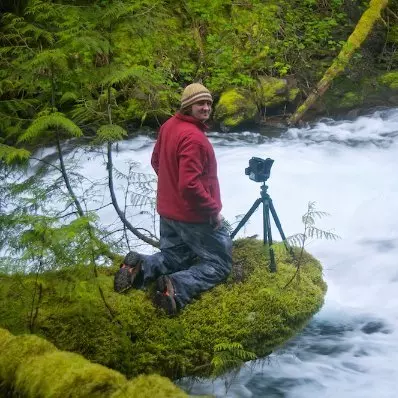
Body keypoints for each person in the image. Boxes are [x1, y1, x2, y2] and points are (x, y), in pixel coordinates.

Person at [114, 83, 232, 315]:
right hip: (193, 215)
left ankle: (141, 268)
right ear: (188, 105)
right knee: (219, 265)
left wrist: (172, 190)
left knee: (175, 256)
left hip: (169, 212)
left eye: (209, 103)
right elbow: (189, 184)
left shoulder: (169, 126)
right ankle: (177, 288)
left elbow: (156, 161)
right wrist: (212, 211)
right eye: (200, 103)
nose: (206, 108)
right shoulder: (194, 139)